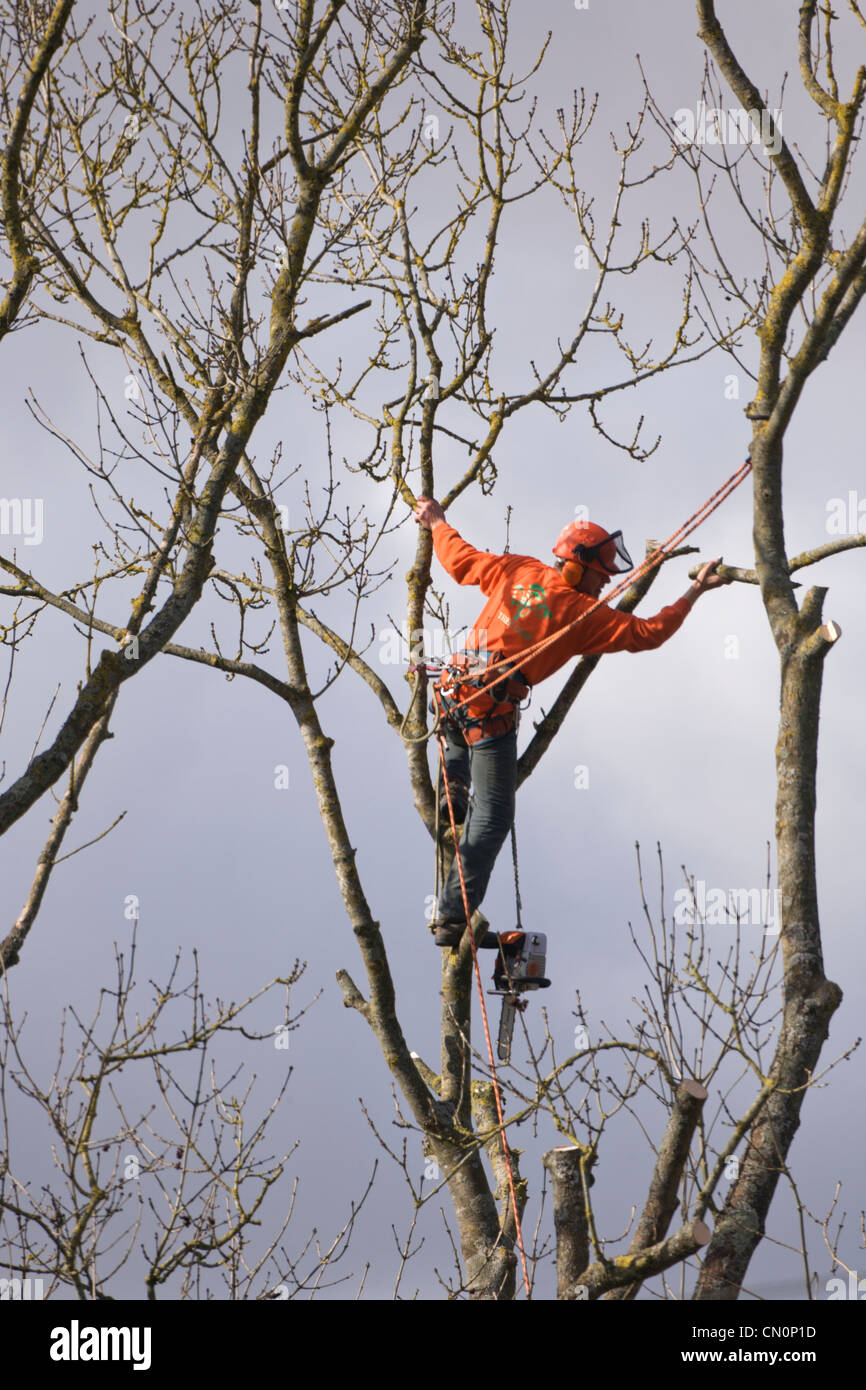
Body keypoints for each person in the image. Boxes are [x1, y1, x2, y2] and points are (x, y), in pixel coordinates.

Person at [413, 495, 731, 947]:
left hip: (449, 694)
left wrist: (436, 522)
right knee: (495, 815)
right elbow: (649, 633)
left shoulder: (518, 568)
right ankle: (451, 915)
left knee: (461, 738)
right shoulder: (583, 617)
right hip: (488, 712)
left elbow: (460, 560)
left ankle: (455, 784)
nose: (604, 586)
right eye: (601, 577)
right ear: (577, 567)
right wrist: (695, 590)